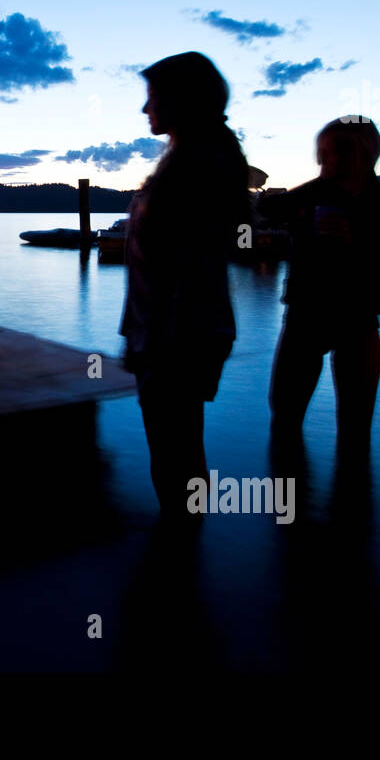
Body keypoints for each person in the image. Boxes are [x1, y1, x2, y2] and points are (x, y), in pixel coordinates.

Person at [120, 52, 250, 518]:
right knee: (178, 443)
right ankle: (183, 549)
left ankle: (180, 549)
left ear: (182, 100)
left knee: (173, 447)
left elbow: (194, 259)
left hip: (178, 331)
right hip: (170, 326)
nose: (144, 109)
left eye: (152, 97)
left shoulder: (200, 164)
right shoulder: (192, 157)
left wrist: (158, 339)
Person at [260, 117, 380, 452]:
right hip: (303, 320)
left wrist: (355, 242)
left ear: (363, 154)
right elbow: (262, 210)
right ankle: (293, 499)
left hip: (359, 323)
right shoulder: (308, 197)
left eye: (331, 153)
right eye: (322, 153)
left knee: (355, 432)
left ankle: (346, 499)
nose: (323, 162)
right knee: (285, 421)